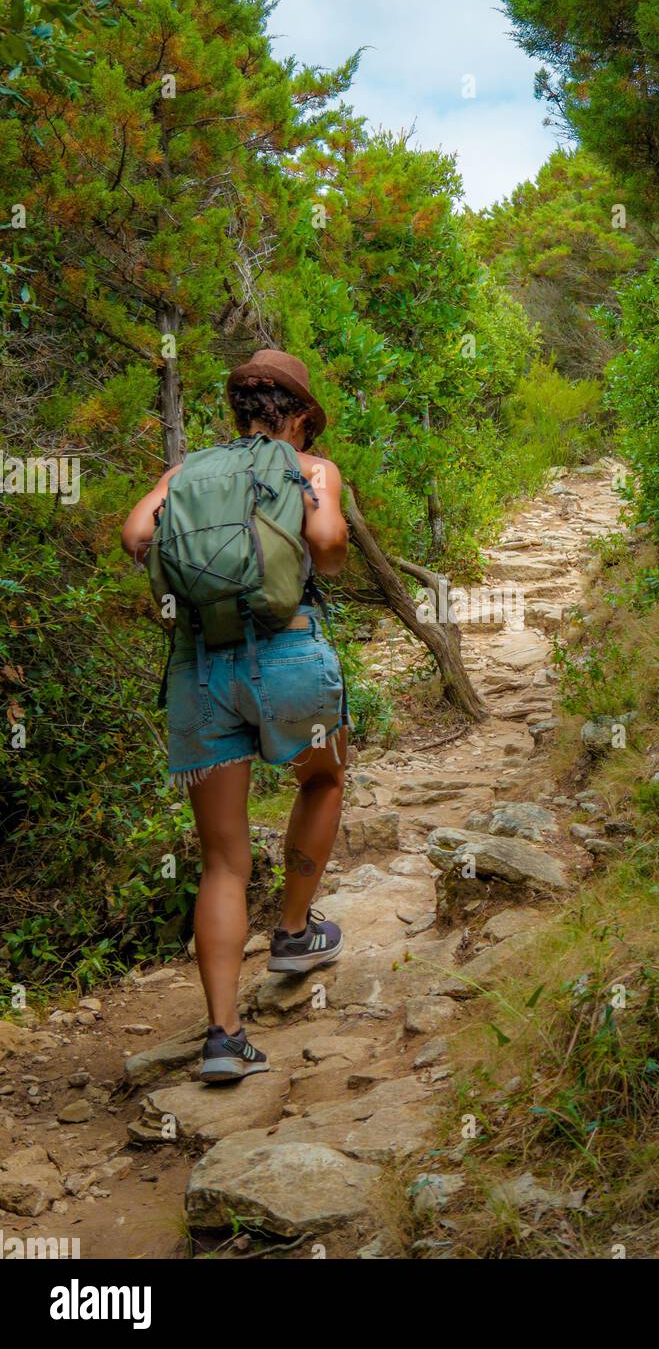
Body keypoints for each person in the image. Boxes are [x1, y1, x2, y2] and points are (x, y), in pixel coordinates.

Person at [121, 350, 348, 1083]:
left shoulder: (186, 473)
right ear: (303, 417)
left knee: (221, 859)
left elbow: (134, 536)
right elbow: (329, 548)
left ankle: (222, 1038)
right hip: (285, 657)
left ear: (238, 411)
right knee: (323, 779)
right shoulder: (312, 469)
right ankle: (291, 933)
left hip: (198, 668)